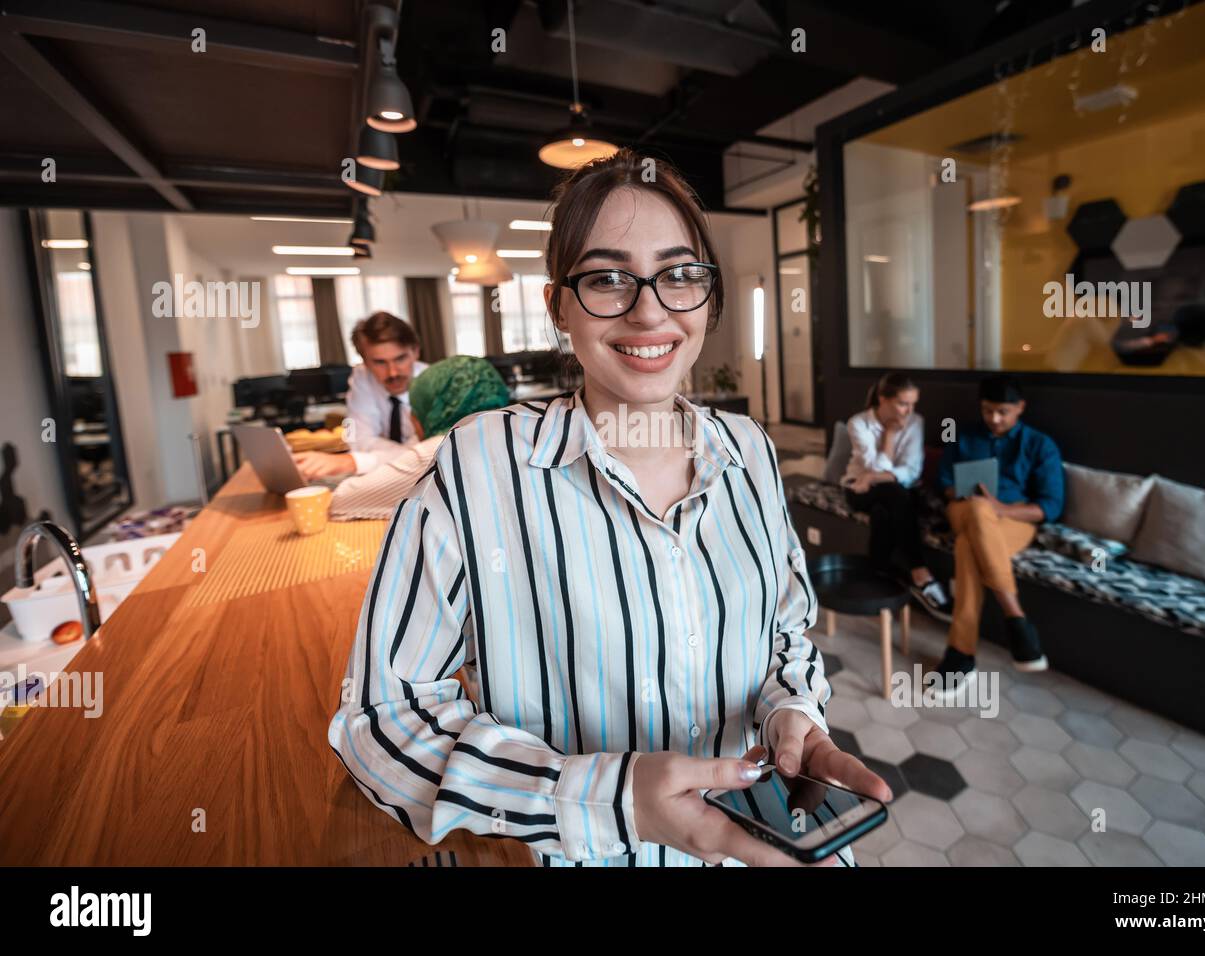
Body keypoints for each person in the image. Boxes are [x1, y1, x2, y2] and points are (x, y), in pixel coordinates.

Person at [328, 147, 890, 868]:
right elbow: (381, 720)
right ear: (559, 304)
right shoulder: (479, 467)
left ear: (709, 297)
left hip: (765, 844)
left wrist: (794, 712)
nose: (649, 308)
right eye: (606, 278)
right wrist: (600, 796)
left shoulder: (750, 449)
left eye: (680, 274)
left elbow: (786, 630)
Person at [931, 374, 1064, 699]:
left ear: (1020, 407)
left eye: (1003, 411)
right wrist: (964, 491)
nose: (994, 418)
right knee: (976, 510)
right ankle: (1015, 615)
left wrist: (999, 507)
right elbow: (943, 482)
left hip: (1014, 519)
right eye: (988, 410)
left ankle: (960, 654)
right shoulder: (963, 435)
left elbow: (1050, 507)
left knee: (967, 546)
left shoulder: (1039, 444)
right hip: (963, 510)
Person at [328, 356, 511, 520]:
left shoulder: (440, 450)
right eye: (379, 361)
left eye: (416, 408)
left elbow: (342, 500)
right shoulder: (511, 432)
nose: (392, 372)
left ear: (435, 408)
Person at [841, 372, 952, 621]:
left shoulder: (915, 422)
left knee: (885, 510)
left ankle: (879, 576)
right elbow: (872, 468)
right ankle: (921, 574)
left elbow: (912, 471)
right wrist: (889, 437)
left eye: (913, 404)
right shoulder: (858, 423)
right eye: (902, 403)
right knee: (894, 492)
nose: (908, 411)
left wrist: (873, 477)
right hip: (856, 489)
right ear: (883, 399)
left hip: (894, 492)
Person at [296, 311, 427, 480]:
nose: (392, 372)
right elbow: (357, 440)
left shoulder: (435, 385)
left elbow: (425, 455)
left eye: (400, 358)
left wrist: (352, 461)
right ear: (364, 361)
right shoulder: (361, 377)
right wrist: (401, 453)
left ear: (415, 352)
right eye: (380, 362)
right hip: (379, 477)